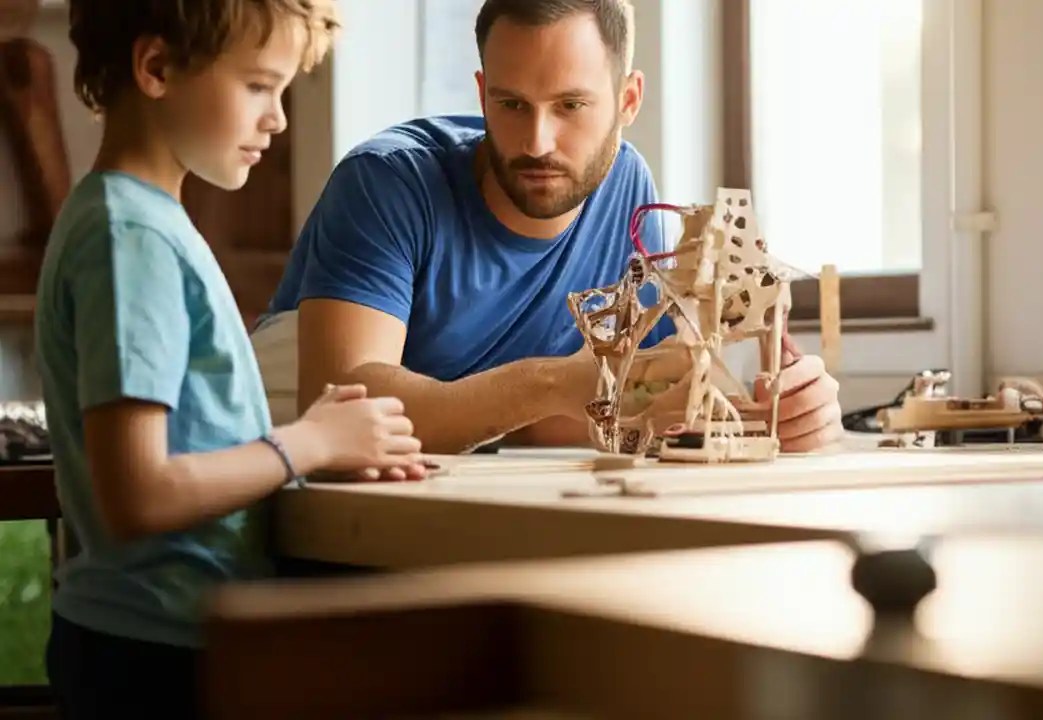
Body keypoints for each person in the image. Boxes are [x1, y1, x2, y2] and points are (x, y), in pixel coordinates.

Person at [35, 2, 426, 716]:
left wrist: (317, 444)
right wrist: (302, 444)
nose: (277, 118)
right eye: (258, 86)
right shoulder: (132, 238)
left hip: (159, 640)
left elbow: (185, 445)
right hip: (154, 654)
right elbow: (138, 494)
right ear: (156, 69)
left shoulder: (135, 220)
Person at [255, 0, 844, 456]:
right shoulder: (386, 183)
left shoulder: (627, 189)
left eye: (570, 106)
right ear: (483, 95)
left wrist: (772, 413)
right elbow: (335, 407)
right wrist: (556, 381)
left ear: (628, 100)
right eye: (512, 105)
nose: (537, 143)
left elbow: (569, 421)